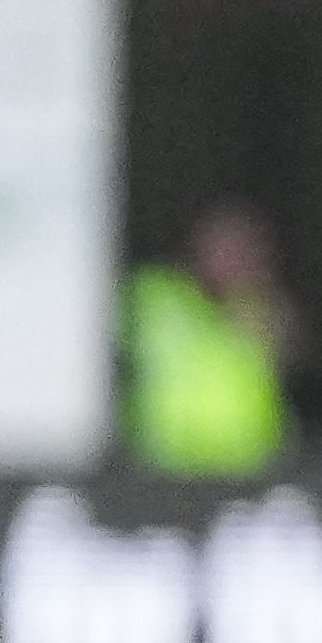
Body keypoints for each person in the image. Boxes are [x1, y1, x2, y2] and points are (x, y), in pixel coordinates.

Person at [124, 204, 295, 478]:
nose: (233, 262)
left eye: (245, 252)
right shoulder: (154, 296)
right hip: (164, 467)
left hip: (247, 468)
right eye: (224, 249)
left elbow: (285, 362)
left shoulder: (259, 310)